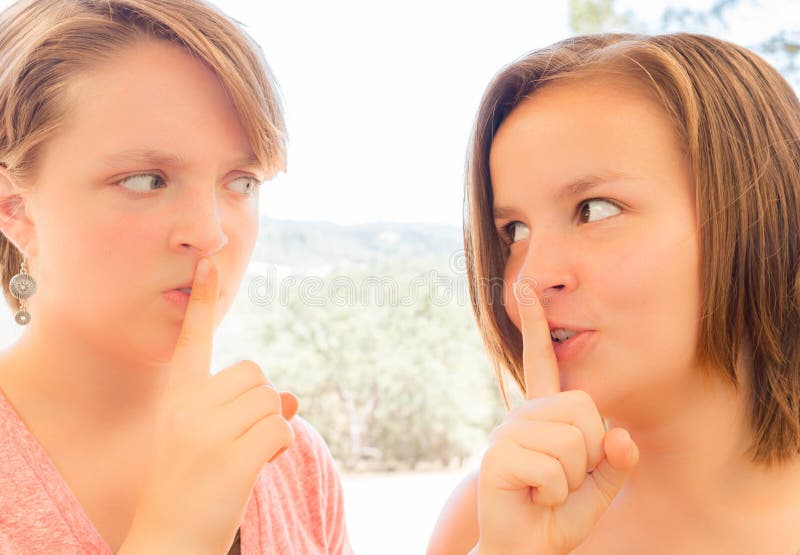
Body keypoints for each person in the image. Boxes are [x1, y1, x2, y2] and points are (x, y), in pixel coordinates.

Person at [0, 1, 352, 553]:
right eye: (146, 180)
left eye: (241, 182)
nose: (210, 234)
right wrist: (174, 536)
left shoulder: (292, 459)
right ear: (14, 207)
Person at [428, 32, 800, 554]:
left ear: (759, 220)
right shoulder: (488, 522)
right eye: (514, 232)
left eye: (595, 209)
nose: (529, 280)